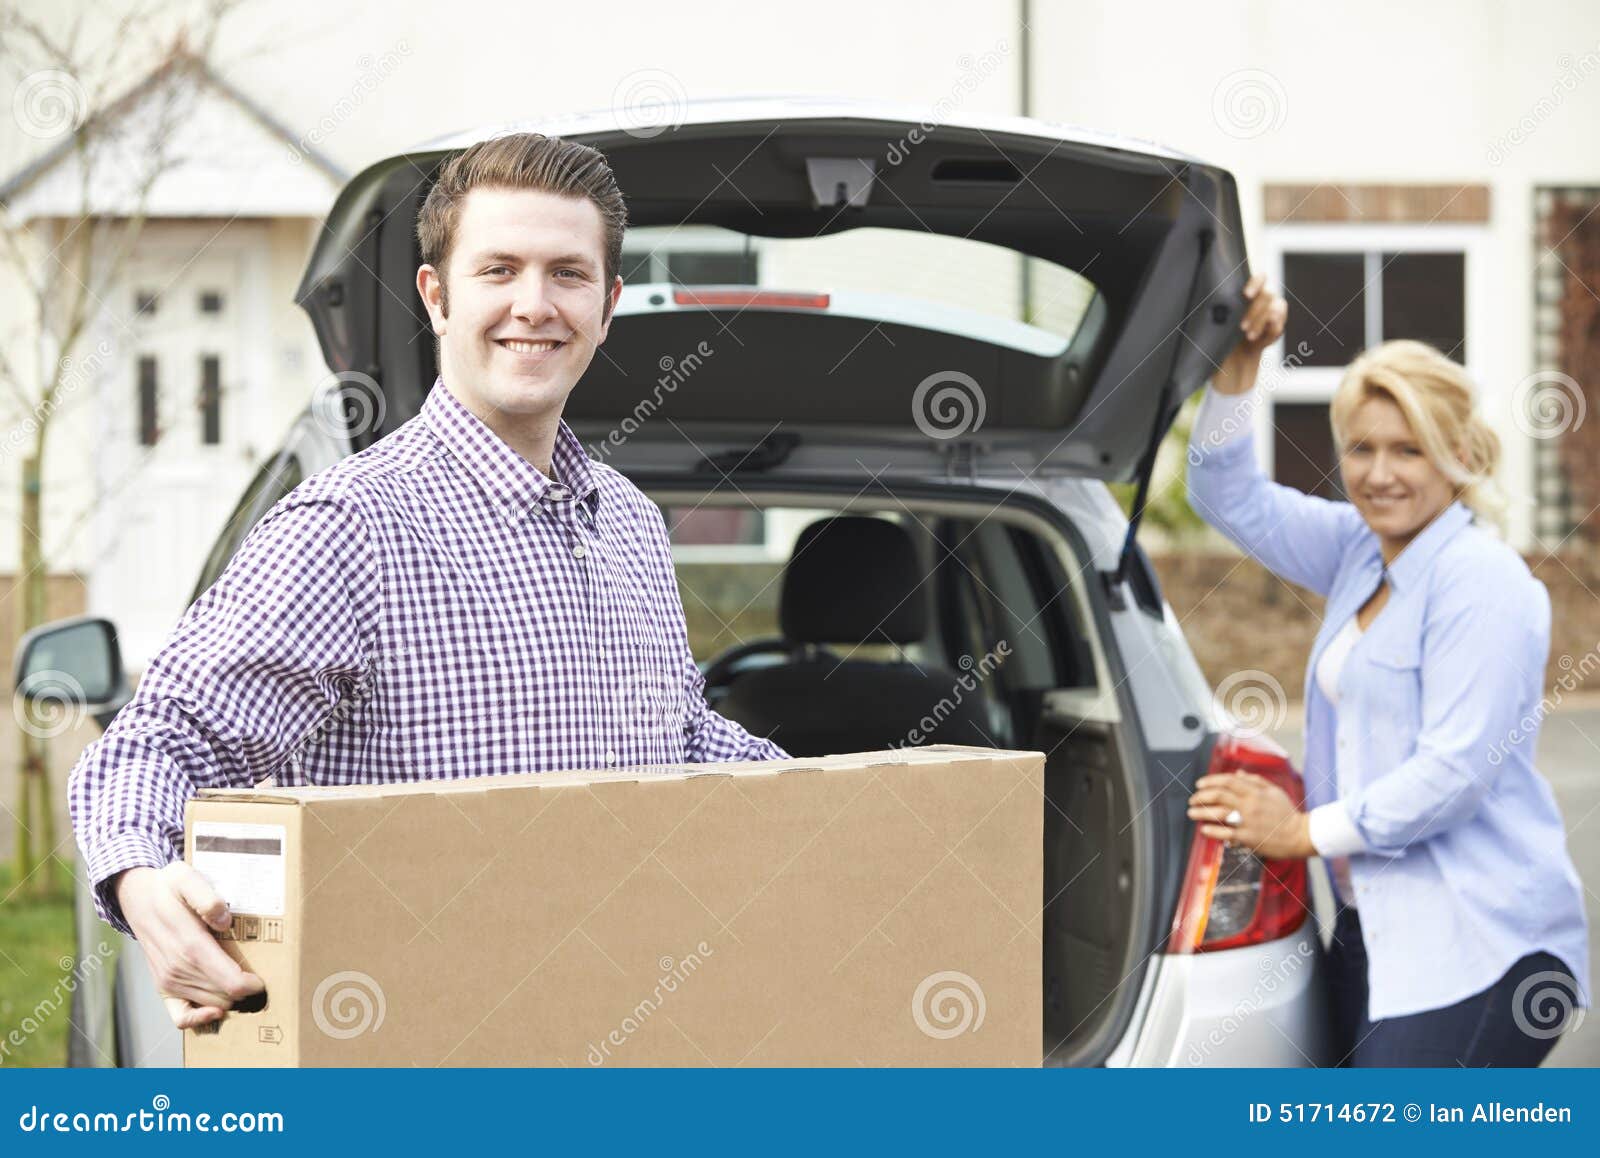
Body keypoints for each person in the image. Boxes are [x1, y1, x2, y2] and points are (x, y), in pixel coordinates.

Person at [69, 133, 790, 1031]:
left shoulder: (631, 524)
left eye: (568, 274)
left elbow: (675, 740)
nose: (535, 304)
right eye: (499, 269)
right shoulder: (348, 530)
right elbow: (161, 741)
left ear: (606, 306)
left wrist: (853, 812)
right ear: (437, 296)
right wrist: (141, 881)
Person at [1184, 275, 1589, 1066]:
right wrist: (1240, 368)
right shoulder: (1355, 549)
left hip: (1482, 940)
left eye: (1410, 450)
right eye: (1362, 449)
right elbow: (1224, 496)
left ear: (1461, 457)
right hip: (1374, 930)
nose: (1379, 474)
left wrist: (1300, 831)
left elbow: (1455, 772)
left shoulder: (1484, 580)